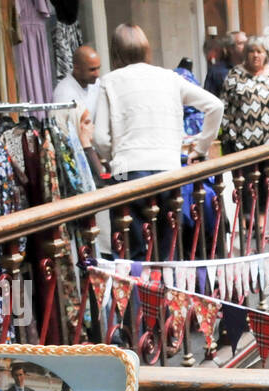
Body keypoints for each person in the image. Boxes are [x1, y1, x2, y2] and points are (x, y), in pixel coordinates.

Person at [93, 24, 223, 258]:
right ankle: (166, 291)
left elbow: (100, 137)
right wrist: (201, 148)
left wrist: (114, 157)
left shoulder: (109, 81)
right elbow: (215, 106)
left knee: (131, 251)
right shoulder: (170, 78)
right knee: (168, 248)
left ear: (115, 52)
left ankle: (137, 294)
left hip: (126, 171)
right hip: (168, 169)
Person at [220, 36, 269, 152]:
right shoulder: (235, 75)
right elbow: (223, 107)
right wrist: (232, 135)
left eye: (259, 51)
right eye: (251, 51)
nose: (255, 55)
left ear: (266, 54)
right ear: (246, 54)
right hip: (243, 147)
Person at [53, 45, 102, 120]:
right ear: (77, 68)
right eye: (92, 70)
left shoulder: (97, 84)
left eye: (98, 68)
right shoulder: (63, 93)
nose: (97, 74)